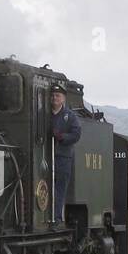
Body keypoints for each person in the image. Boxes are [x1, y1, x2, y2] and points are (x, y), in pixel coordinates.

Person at [50, 82, 81, 225]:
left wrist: (62, 137)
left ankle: (56, 217)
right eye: (53, 95)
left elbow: (76, 134)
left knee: (60, 189)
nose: (54, 98)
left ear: (63, 98)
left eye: (57, 95)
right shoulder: (46, 114)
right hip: (47, 156)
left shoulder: (70, 116)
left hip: (63, 157)